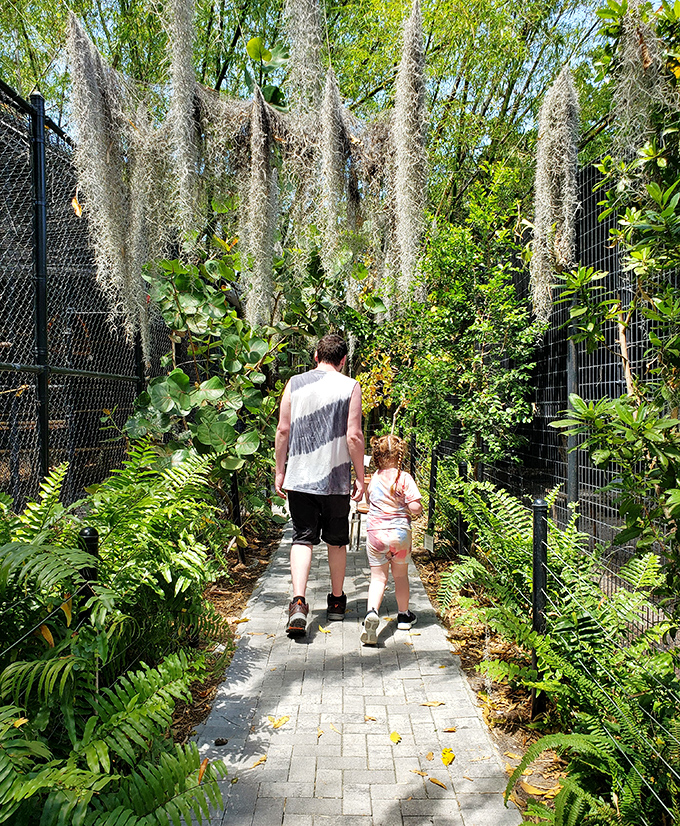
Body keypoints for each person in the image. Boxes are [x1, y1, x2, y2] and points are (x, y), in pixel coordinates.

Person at [275, 334, 366, 635]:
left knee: (302, 538)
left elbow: (283, 430)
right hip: (335, 480)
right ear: (343, 361)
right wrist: (361, 478)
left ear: (316, 356)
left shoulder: (294, 383)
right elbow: (354, 437)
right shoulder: (350, 386)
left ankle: (298, 603)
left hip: (300, 477)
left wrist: (280, 472)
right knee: (336, 541)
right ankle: (337, 602)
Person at [360, 434, 423, 645]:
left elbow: (369, 501)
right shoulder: (404, 478)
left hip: (376, 536)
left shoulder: (374, 479)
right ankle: (404, 616)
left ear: (377, 456)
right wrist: (414, 508)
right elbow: (415, 507)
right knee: (400, 577)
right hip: (400, 536)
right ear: (400, 455)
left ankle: (371, 612)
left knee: (378, 578)